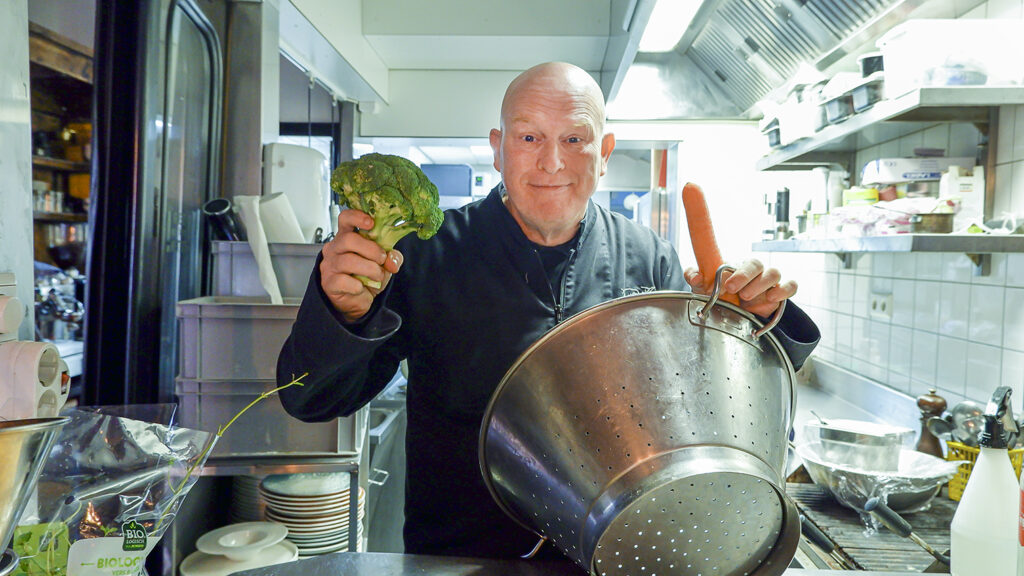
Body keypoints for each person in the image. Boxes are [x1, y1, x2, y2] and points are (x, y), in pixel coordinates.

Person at [277, 61, 819, 562]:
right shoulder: (423, 254)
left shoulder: (648, 256)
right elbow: (310, 398)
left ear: (604, 151)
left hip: (611, 552)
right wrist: (340, 312)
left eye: (575, 139)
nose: (551, 162)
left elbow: (703, 406)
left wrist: (746, 324)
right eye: (529, 137)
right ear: (498, 148)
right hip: (461, 556)